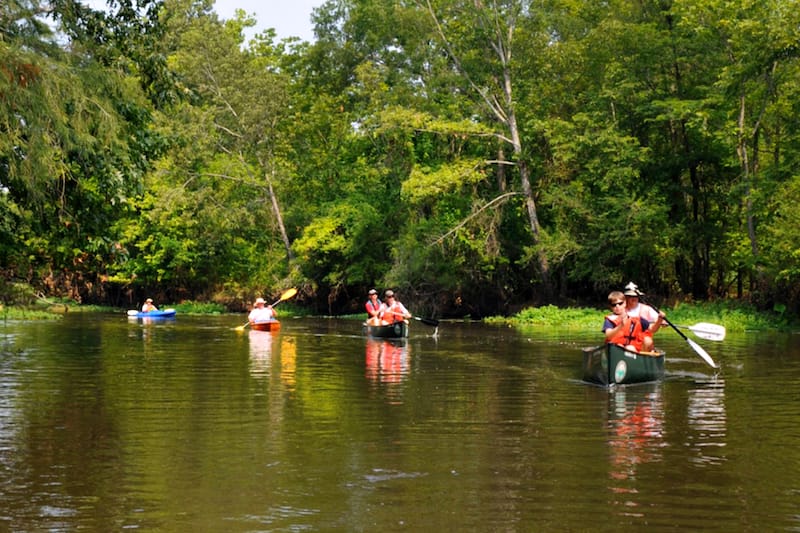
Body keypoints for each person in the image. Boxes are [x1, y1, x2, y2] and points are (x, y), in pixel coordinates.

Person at [623, 283, 666, 352]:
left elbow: (653, 328)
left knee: (647, 340)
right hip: (625, 341)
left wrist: (660, 321)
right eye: (630, 296)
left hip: (643, 343)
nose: (634, 298)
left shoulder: (647, 309)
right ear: (626, 297)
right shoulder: (621, 309)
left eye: (636, 296)